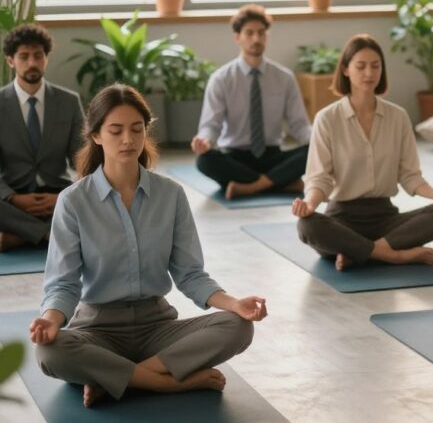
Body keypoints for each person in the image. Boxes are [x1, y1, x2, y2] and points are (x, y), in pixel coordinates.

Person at [31, 84, 267, 407]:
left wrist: (234, 302)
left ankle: (117, 380)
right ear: (96, 135)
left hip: (157, 328)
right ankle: (165, 383)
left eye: (136, 129)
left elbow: (190, 274)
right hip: (97, 331)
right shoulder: (73, 201)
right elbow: (63, 284)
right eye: (116, 131)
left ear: (146, 131)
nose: (127, 139)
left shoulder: (171, 195)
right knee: (49, 351)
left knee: (239, 326)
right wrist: (51, 320)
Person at [291, 34, 433, 270]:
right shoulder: (327, 118)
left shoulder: (398, 116)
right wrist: (309, 205)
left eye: (375, 66)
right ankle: (393, 255)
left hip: (386, 220)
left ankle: (360, 252)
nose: (369, 73)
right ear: (345, 69)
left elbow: (410, 176)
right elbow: (319, 178)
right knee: (307, 226)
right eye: (360, 66)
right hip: (342, 220)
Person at [192, 4, 310, 199]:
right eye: (249, 33)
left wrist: (319, 141)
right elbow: (211, 126)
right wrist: (204, 141)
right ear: (237, 37)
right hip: (236, 158)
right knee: (204, 160)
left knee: (314, 151)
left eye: (261, 33)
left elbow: (300, 125)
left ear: (267, 36)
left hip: (273, 156)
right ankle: (280, 182)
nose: (256, 39)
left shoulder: (285, 78)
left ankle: (249, 186)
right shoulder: (221, 79)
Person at [0, 24, 84, 251]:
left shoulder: (68, 102)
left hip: (58, 194)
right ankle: (49, 233)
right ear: (11, 60)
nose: (32, 63)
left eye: (38, 56)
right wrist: (14, 198)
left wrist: (62, 198)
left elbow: (83, 160)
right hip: (13, 198)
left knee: (96, 194)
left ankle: (21, 236)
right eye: (24, 56)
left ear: (46, 58)